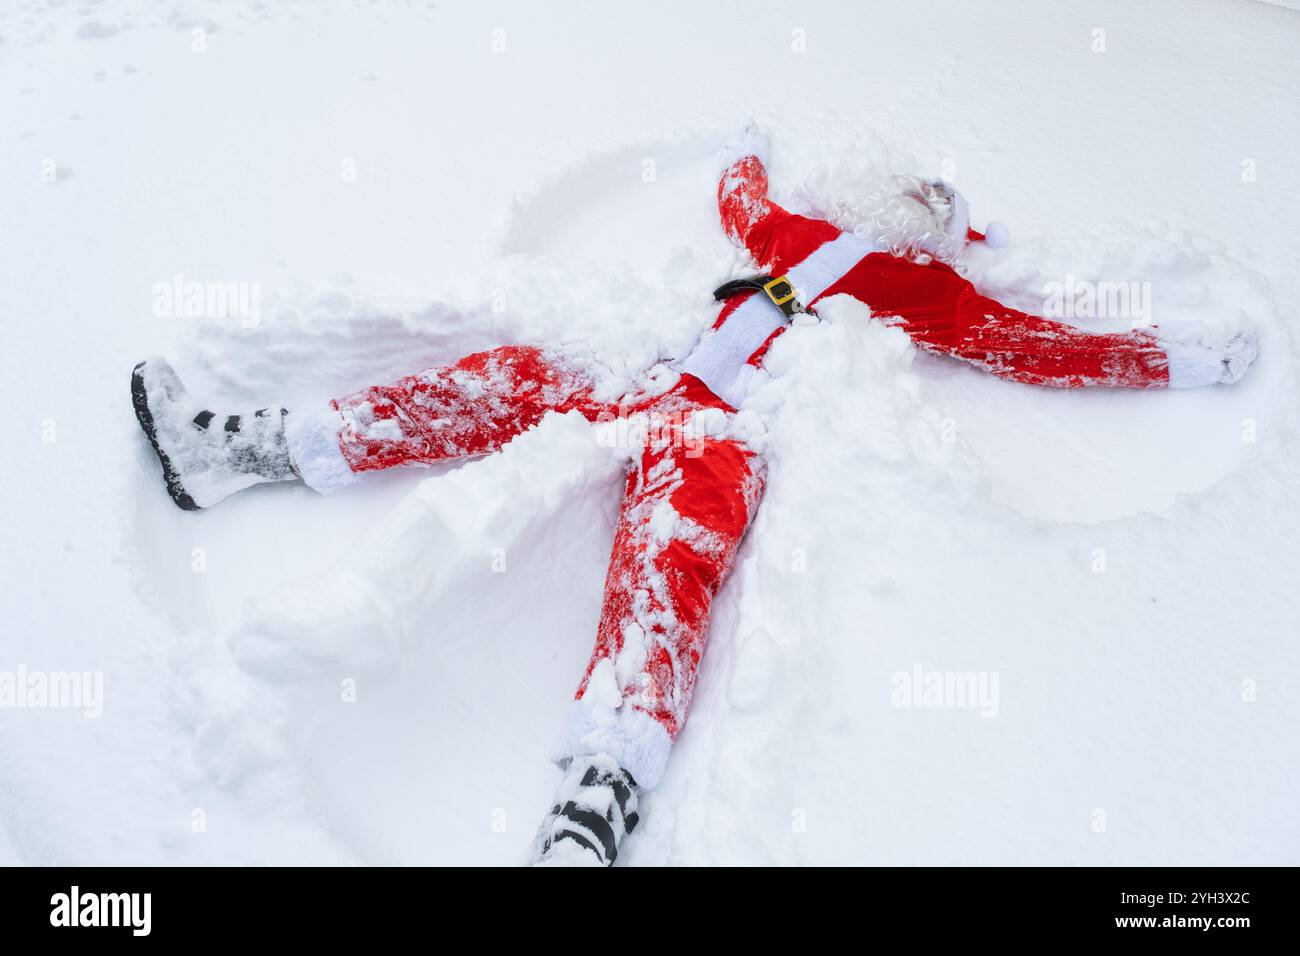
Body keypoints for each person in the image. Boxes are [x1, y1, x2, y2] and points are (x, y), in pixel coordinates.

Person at [130, 127, 1257, 866]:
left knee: (672, 555)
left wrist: (1181, 355)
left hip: (726, 420)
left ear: (949, 229)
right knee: (489, 384)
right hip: (644, 363)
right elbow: (742, 202)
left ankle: (599, 792)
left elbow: (1045, 346)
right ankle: (254, 444)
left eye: (936, 197)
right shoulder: (803, 232)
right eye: (908, 181)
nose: (913, 194)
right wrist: (747, 152)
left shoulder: (935, 292)